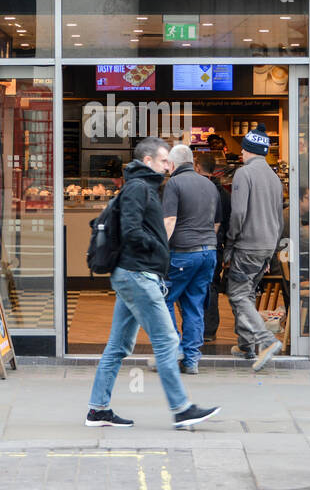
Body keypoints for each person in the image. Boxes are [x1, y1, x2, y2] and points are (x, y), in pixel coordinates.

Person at [85, 136, 221, 429]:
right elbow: (132, 230)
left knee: (118, 345)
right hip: (137, 274)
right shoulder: (138, 188)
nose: (167, 166)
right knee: (167, 340)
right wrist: (159, 249)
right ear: (148, 161)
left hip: (132, 273)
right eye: (163, 161)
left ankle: (97, 410)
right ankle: (181, 408)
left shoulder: (144, 186)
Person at [223, 125, 285, 371]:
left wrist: (230, 241)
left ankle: (266, 341)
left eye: (243, 150)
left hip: (247, 245)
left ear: (247, 150)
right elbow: (279, 220)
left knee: (237, 294)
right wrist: (271, 251)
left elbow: (238, 212)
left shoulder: (244, 174)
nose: (241, 155)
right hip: (267, 246)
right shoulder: (274, 177)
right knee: (247, 294)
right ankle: (246, 345)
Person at [161, 144, 221, 374]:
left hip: (183, 253)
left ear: (173, 164)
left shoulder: (174, 184)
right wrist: (205, 244)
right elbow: (216, 223)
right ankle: (192, 359)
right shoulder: (209, 184)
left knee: (164, 299)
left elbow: (169, 221)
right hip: (209, 252)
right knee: (195, 304)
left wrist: (160, 249)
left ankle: (175, 348)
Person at [195, 153, 232, 343]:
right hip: (217, 244)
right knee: (211, 285)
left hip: (197, 243)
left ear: (198, 168)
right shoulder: (224, 193)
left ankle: (199, 327)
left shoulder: (196, 190)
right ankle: (209, 329)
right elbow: (230, 220)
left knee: (197, 285)